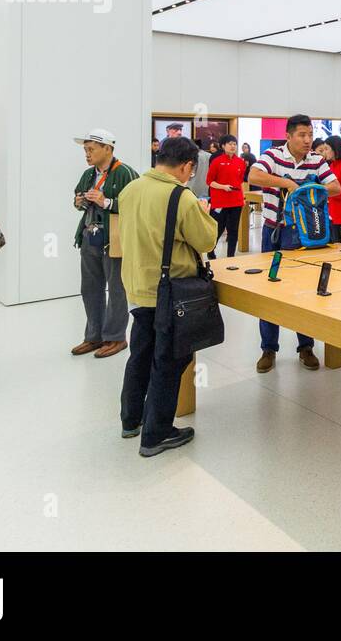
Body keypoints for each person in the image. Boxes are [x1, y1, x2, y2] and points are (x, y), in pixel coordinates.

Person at [117, 136, 217, 457]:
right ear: (187, 166)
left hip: (137, 287)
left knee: (140, 355)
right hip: (169, 292)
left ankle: (131, 420)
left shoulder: (130, 189)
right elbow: (205, 241)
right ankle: (156, 434)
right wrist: (203, 212)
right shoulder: (181, 196)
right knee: (169, 362)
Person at [247, 115, 340, 373]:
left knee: (305, 290)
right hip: (274, 232)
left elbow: (336, 186)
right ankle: (268, 348)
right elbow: (254, 174)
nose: (308, 140)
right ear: (288, 136)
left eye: (310, 134)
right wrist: (286, 182)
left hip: (303, 236)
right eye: (302, 134)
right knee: (270, 290)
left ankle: (306, 346)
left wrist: (308, 187)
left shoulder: (316, 160)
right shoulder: (272, 156)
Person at [71, 128, 139, 359]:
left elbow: (137, 205)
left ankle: (116, 337)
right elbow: (76, 199)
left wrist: (107, 201)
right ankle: (94, 336)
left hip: (115, 240)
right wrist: (79, 201)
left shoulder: (126, 173)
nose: (87, 154)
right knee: (90, 288)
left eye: (91, 149)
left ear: (107, 148)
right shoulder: (88, 174)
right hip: (90, 237)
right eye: (85, 150)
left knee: (117, 289)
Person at [206, 133, 246, 258]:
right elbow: (209, 181)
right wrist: (223, 187)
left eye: (235, 144)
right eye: (230, 144)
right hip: (220, 201)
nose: (233, 146)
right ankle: (211, 252)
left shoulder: (240, 162)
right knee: (218, 229)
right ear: (223, 146)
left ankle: (231, 256)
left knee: (233, 230)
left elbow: (240, 182)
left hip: (236, 201)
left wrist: (243, 197)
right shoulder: (216, 161)